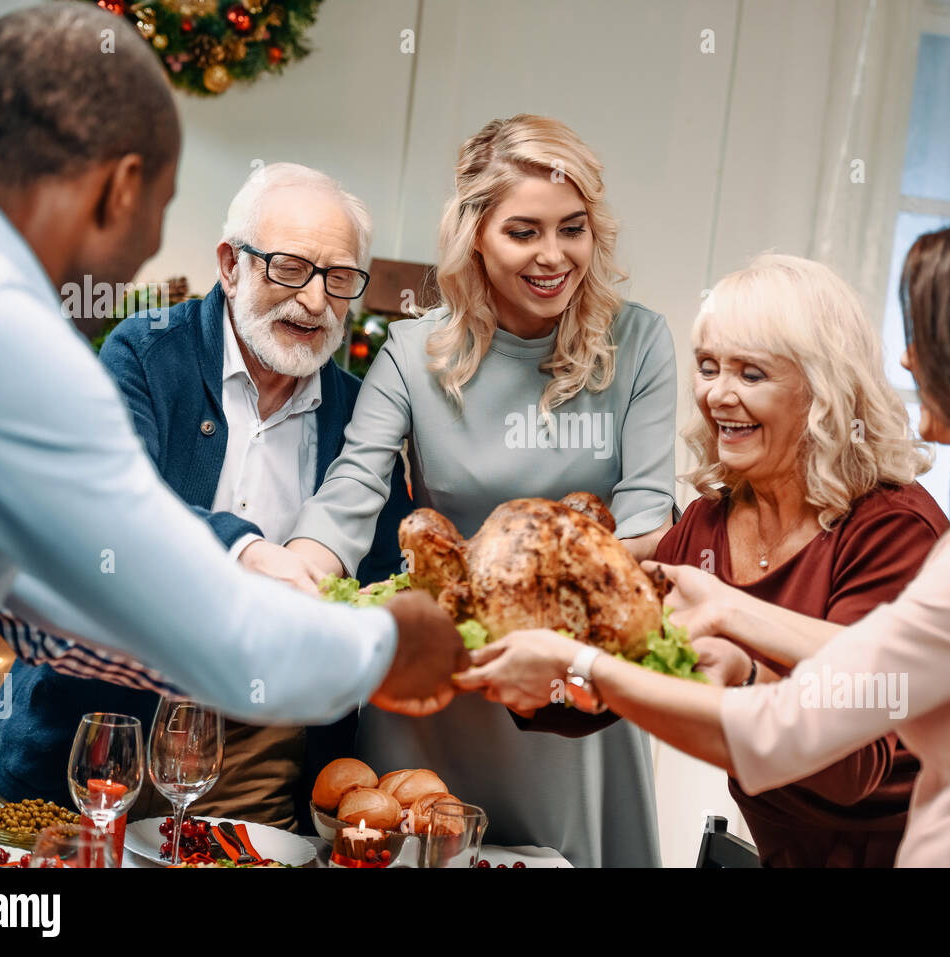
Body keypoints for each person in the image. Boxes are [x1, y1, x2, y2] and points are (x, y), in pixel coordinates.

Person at [457, 208, 950, 867]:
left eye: (927, 338)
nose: (907, 359)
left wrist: (633, 647)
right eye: (710, 367)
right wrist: (523, 655)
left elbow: (812, 728)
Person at [0, 4, 464, 793]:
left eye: (336, 279)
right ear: (121, 186)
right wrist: (385, 646)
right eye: (160, 212)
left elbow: (57, 610)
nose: (139, 260)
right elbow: (181, 611)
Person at [246, 115, 678, 867]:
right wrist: (295, 580)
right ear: (476, 233)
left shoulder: (639, 342)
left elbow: (645, 524)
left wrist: (549, 636)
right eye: (524, 231)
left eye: (572, 228)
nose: (553, 256)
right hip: (434, 697)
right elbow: (349, 495)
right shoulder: (415, 353)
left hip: (566, 699)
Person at [0, 163, 414, 831]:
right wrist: (244, 550)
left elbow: (387, 572)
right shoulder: (145, 351)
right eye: (289, 268)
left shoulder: (359, 411)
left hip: (262, 740)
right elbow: (116, 509)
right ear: (231, 265)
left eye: (339, 279)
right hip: (107, 721)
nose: (313, 301)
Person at [646, 253, 946, 865]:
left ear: (822, 389)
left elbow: (851, 767)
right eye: (708, 368)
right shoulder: (709, 522)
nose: (718, 394)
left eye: (751, 374)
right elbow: (608, 678)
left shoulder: (891, 529)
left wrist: (743, 677)